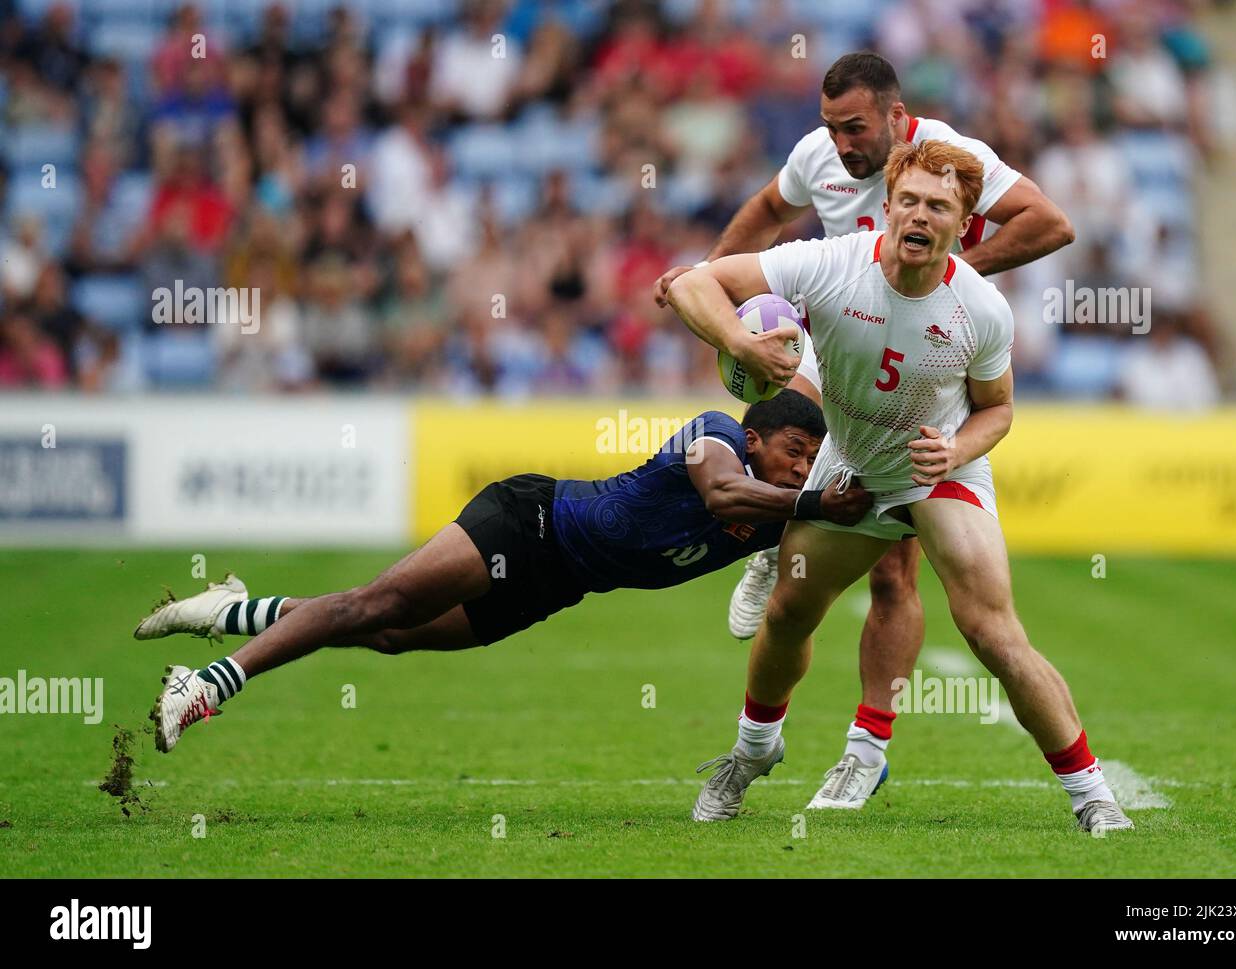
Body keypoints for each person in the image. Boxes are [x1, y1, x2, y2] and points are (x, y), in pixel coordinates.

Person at [666, 139, 1132, 834]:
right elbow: (693, 283)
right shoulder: (828, 264)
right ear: (886, 207)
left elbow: (998, 408)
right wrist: (739, 342)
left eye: (938, 206)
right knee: (789, 613)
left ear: (964, 222)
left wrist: (954, 449)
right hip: (852, 462)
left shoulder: (981, 309)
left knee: (993, 634)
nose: (919, 215)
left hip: (936, 471)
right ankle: (753, 750)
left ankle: (1092, 794)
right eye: (908, 201)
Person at [135, 392, 870, 755]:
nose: (804, 465)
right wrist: (814, 499)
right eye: (795, 448)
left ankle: (234, 609)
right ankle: (203, 686)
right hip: (530, 520)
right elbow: (720, 493)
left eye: (813, 456)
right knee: (374, 604)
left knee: (391, 635)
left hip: (558, 582)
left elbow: (830, 533)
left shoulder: (781, 508)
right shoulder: (715, 435)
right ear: (754, 437)